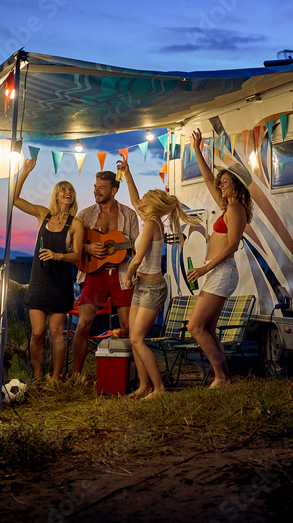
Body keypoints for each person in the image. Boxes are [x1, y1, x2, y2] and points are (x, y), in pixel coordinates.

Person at [186, 128, 253, 388]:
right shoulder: (228, 207)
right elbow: (207, 178)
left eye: (225, 182)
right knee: (208, 328)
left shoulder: (235, 209)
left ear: (235, 186)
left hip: (222, 270)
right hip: (217, 270)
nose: (220, 185)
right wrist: (197, 149)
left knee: (196, 326)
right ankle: (225, 377)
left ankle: (221, 377)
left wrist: (204, 269)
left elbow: (232, 245)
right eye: (221, 182)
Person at [123, 189, 201, 398]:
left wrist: (128, 276)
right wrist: (128, 175)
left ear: (153, 203)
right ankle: (143, 386)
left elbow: (137, 259)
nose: (141, 201)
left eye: (146, 197)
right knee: (133, 338)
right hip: (142, 287)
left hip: (153, 289)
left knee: (138, 339)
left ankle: (159, 389)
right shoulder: (150, 220)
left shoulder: (151, 224)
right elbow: (134, 199)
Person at [13, 158, 84, 382]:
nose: (67, 192)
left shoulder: (76, 224)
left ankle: (56, 378)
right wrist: (24, 172)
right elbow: (14, 200)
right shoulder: (43, 214)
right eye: (63, 189)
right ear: (55, 195)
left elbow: (77, 255)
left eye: (70, 190)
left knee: (56, 331)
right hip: (38, 280)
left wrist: (57, 255)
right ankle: (37, 375)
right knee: (37, 332)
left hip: (60, 282)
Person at [72, 162, 141, 378]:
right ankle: (76, 375)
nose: (96, 191)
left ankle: (131, 375)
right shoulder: (85, 215)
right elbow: (70, 246)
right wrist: (87, 247)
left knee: (129, 328)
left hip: (122, 275)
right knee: (83, 324)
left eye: (101, 188)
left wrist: (125, 251)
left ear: (114, 190)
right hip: (93, 274)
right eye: (94, 187)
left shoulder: (129, 215)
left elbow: (135, 249)